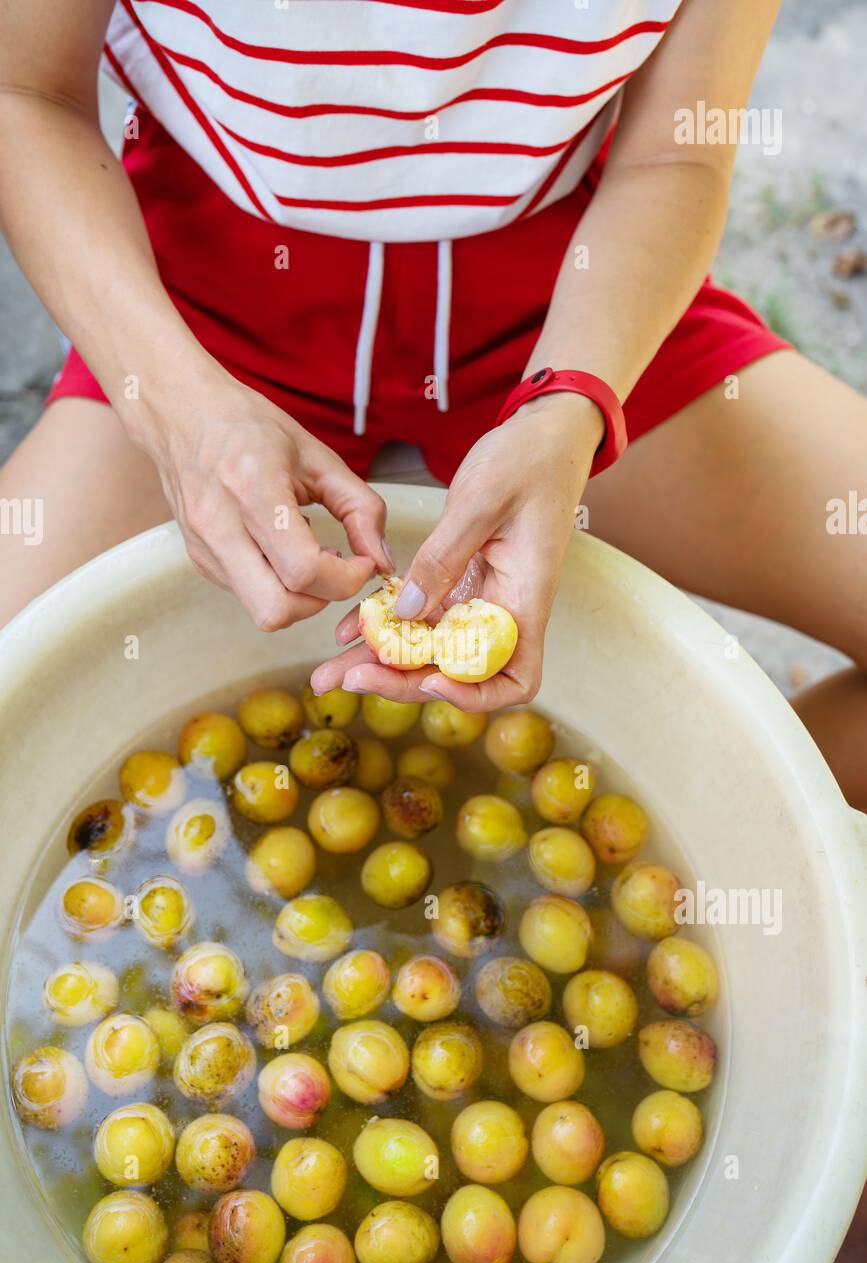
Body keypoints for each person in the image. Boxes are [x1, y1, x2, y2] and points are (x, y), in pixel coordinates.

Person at [0, 0, 864, 824]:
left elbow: (675, 158)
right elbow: (26, 93)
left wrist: (569, 406)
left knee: (729, 856)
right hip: (201, 323)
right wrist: (179, 416)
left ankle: (712, 861)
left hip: (570, 308)